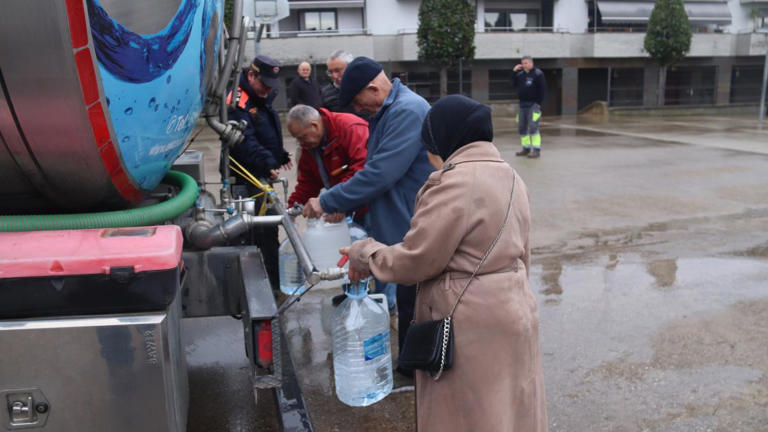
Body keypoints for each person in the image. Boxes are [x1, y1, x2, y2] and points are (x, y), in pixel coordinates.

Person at [341, 95, 548, 432]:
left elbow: (417, 261)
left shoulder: (454, 183)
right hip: (515, 305)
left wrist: (365, 253)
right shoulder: (511, 176)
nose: (428, 156)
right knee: (510, 408)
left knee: (468, 414)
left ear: (443, 140)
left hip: (472, 318)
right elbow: (524, 250)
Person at [303, 57, 434, 360]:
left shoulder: (407, 111)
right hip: (398, 223)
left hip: (411, 225)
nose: (359, 111)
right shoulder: (386, 111)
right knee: (407, 301)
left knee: (416, 305)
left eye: (359, 104)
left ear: (374, 88)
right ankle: (409, 368)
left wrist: (326, 201)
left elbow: (380, 174)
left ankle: (417, 373)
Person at [226, 55, 292, 291]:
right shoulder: (237, 102)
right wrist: (266, 161)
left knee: (268, 230)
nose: (267, 90)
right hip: (247, 177)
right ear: (251, 75)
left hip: (262, 174)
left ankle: (273, 284)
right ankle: (258, 286)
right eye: (264, 84)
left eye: (271, 85)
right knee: (253, 232)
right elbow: (243, 141)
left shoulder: (260, 95)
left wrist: (278, 154)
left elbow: (264, 129)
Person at [286, 104, 369, 224]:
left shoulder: (350, 129)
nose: (301, 143)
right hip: (347, 204)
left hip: (370, 206)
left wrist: (338, 202)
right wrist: (291, 207)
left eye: (303, 137)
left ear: (314, 125)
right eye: (298, 139)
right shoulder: (309, 146)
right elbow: (308, 182)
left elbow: (362, 172)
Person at [512, 55, 547, 159]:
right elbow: (513, 83)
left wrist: (539, 103)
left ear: (531, 63)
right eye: (522, 63)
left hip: (533, 105)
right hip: (522, 105)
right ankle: (525, 148)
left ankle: (536, 150)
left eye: (526, 63)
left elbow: (543, 89)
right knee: (522, 127)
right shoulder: (520, 74)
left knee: (533, 127)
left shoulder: (538, 74)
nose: (524, 65)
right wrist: (514, 72)